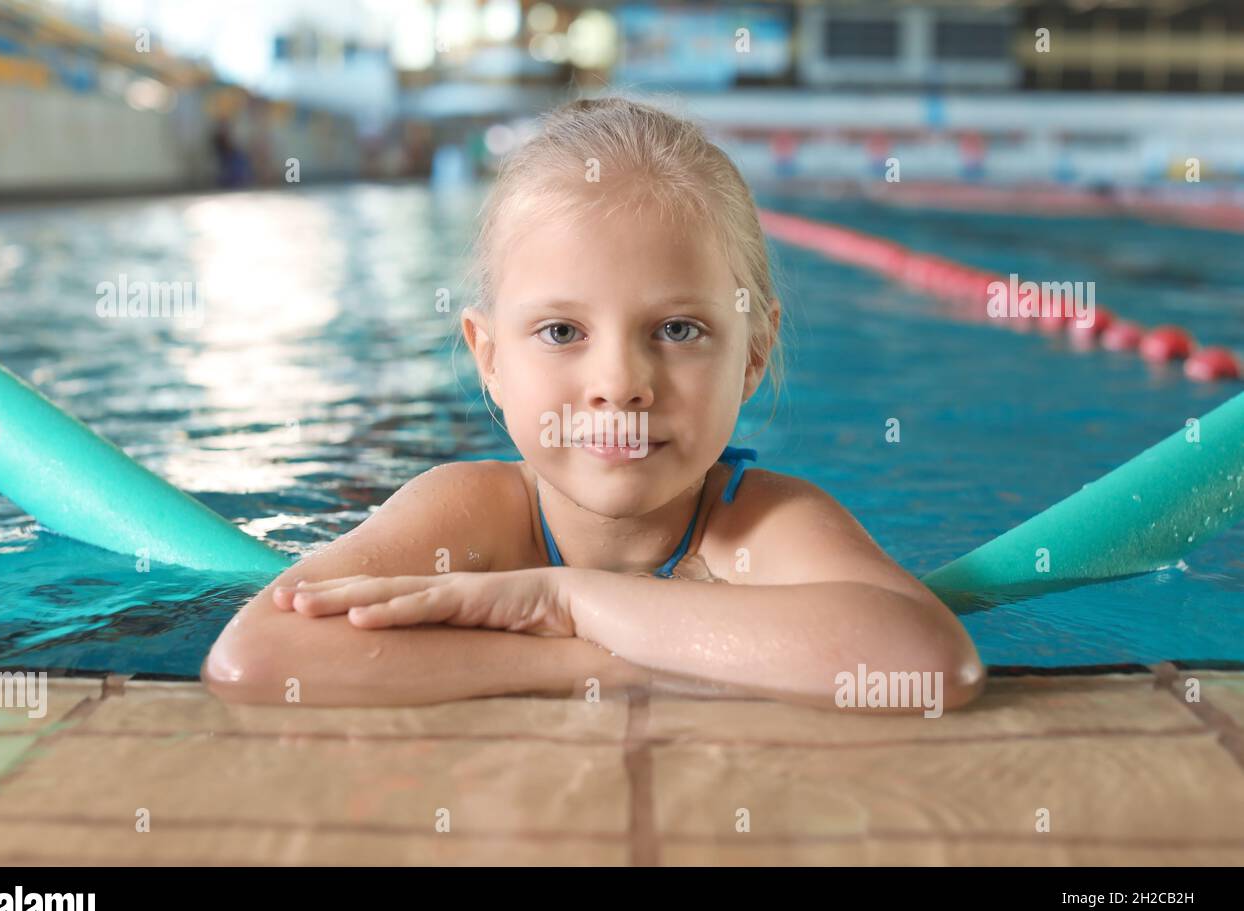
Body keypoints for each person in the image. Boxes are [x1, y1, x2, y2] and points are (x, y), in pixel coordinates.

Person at [203, 97, 984, 711]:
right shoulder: (471, 512)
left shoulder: (764, 525)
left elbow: (930, 666)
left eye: (678, 328)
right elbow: (257, 659)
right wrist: (596, 662)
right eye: (561, 330)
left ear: (753, 353)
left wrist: (566, 598)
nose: (620, 382)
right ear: (491, 358)